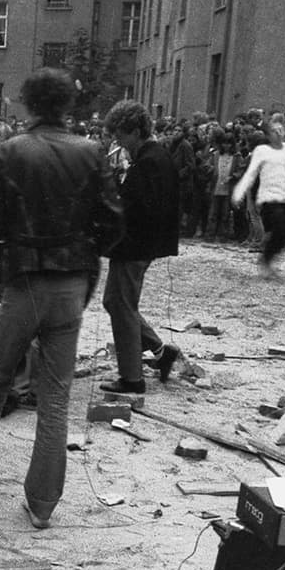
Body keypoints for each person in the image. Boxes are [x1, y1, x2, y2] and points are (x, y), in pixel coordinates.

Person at [0, 69, 124, 530]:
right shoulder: (91, 153)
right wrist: (81, 247)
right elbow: (114, 223)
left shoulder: (5, 153)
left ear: (27, 103)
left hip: (24, 281)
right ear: (68, 105)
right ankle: (42, 505)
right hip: (71, 283)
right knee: (55, 397)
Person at [99, 100, 181, 395]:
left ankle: (132, 378)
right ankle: (159, 351)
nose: (116, 141)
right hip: (140, 245)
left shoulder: (149, 162)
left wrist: (110, 191)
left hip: (134, 246)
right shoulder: (153, 157)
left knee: (121, 305)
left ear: (134, 130)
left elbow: (135, 208)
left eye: (120, 134)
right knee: (116, 302)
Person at [230, 121, 285, 278]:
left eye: (281, 130)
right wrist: (238, 193)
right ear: (268, 135)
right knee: (282, 230)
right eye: (274, 131)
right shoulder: (262, 151)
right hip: (268, 198)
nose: (279, 133)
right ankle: (266, 261)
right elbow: (251, 173)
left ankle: (267, 258)